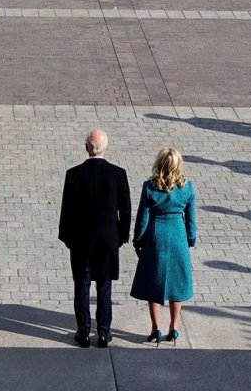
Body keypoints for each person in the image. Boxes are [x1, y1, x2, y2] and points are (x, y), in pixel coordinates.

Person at [58, 128, 131, 348]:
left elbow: (66, 211)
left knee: (82, 285)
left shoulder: (74, 174)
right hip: (108, 241)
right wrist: (121, 237)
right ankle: (103, 332)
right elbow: (125, 210)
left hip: (81, 241)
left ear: (87, 148)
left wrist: (66, 237)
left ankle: (83, 332)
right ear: (105, 148)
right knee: (104, 286)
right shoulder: (119, 174)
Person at [131, 146, 196, 343]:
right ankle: (174, 326)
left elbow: (142, 218)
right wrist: (190, 240)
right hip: (178, 236)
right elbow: (191, 220)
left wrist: (137, 239)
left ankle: (155, 328)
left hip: (155, 237)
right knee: (176, 284)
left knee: (154, 283)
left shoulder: (150, 187)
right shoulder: (187, 188)